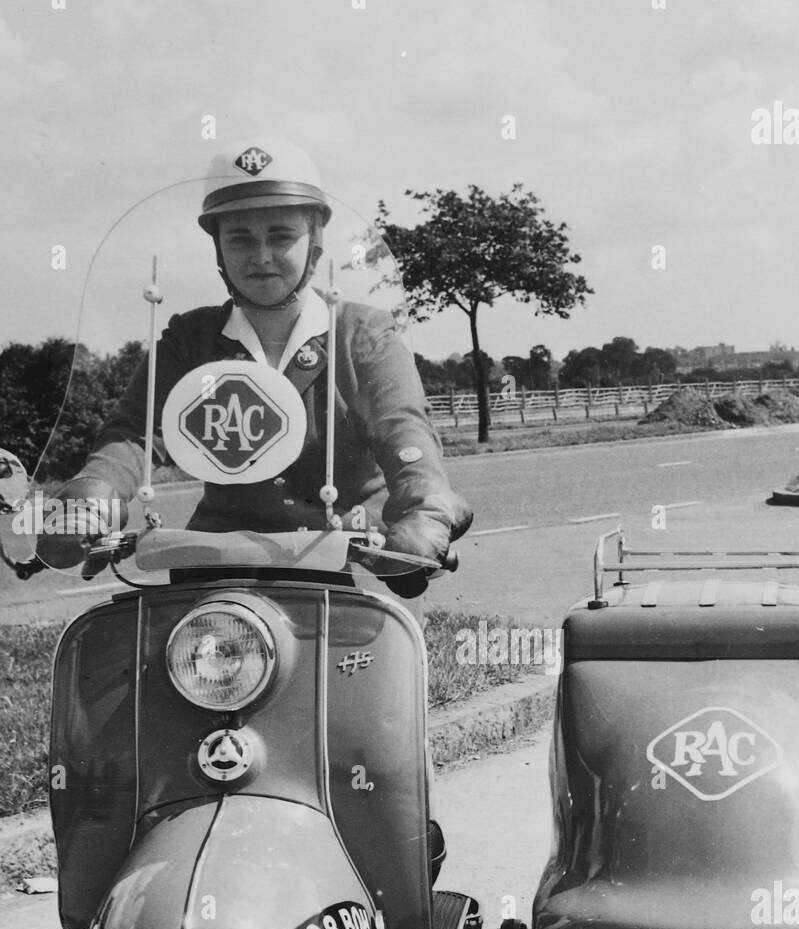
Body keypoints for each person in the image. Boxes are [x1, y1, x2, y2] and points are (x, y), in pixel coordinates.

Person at [37, 136, 472, 597]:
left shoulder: (361, 333)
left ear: (315, 242)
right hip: (220, 559)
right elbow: (134, 435)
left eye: (281, 236)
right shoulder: (191, 339)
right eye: (240, 238)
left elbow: (404, 432)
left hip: (354, 557)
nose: (261, 256)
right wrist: (92, 496)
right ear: (218, 247)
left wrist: (427, 508)